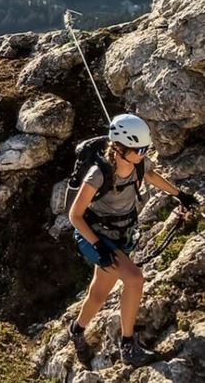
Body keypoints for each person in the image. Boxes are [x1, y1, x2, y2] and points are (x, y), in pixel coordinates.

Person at [67, 113, 197, 368]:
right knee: (135, 279)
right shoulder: (98, 174)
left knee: (99, 294)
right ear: (119, 147)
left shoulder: (138, 163)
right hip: (95, 237)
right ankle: (128, 345)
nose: (142, 153)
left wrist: (179, 194)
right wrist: (98, 245)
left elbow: (151, 175)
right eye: (138, 149)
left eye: (145, 149)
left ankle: (77, 330)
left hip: (118, 236)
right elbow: (75, 215)